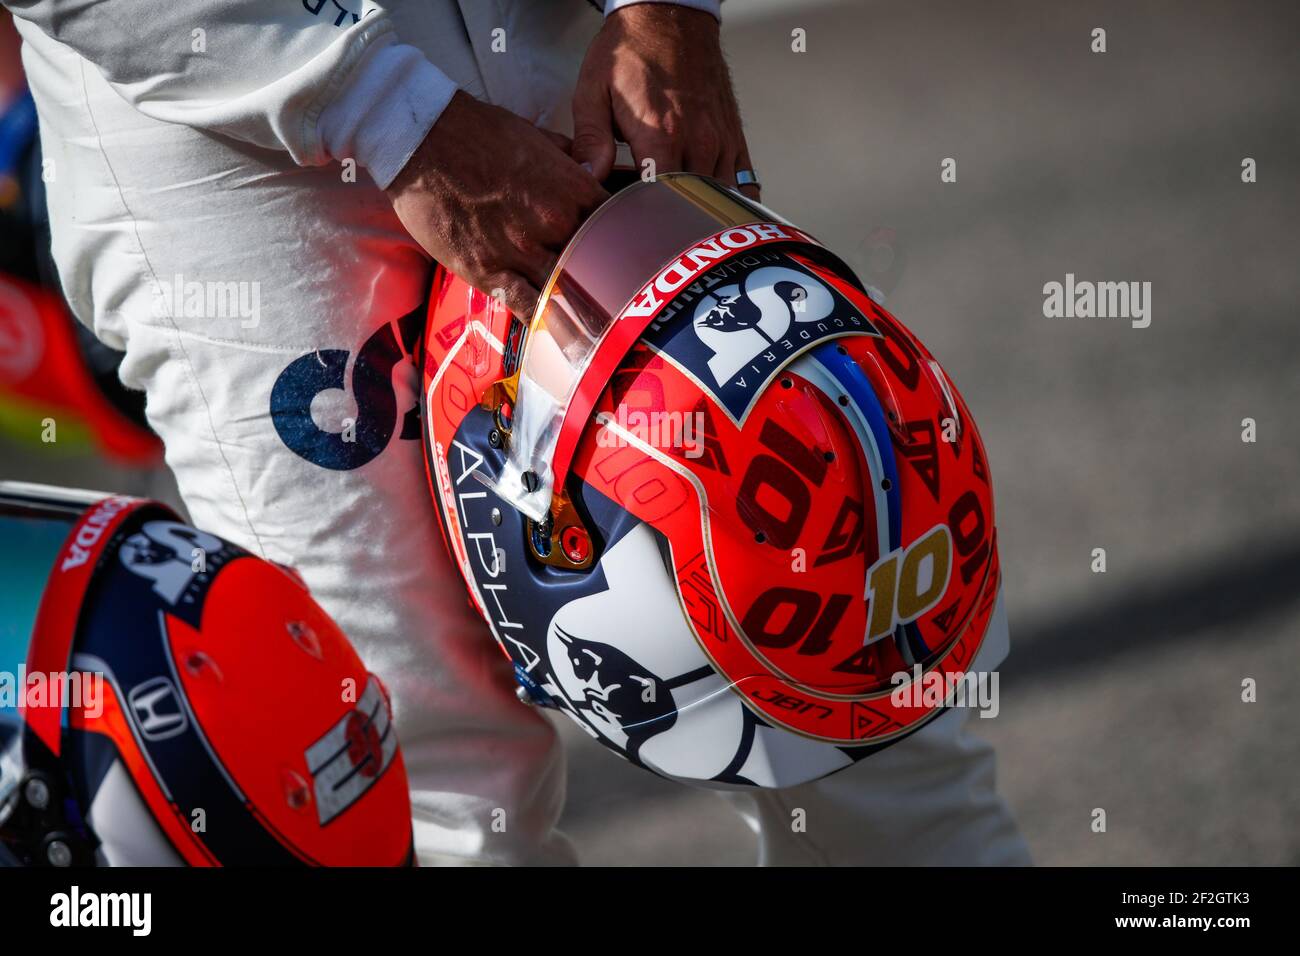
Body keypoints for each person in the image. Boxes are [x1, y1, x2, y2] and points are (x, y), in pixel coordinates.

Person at [6, 0, 1028, 865]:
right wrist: (382, 109)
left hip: (558, 42)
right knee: (427, 773)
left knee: (846, 640)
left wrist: (669, 9)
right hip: (237, 140)